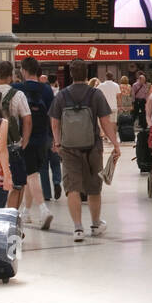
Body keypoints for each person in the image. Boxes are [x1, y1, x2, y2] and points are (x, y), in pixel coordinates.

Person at [50, 58, 119, 242]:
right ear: (86, 74)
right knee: (94, 188)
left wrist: (57, 143)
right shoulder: (95, 94)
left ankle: (78, 228)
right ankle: (95, 224)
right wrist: (115, 144)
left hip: (69, 148)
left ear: (70, 74)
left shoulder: (62, 96)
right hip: (92, 147)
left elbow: (55, 123)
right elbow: (105, 122)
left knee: (73, 188)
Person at [13, 56, 57, 226]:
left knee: (31, 175)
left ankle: (43, 208)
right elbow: (52, 115)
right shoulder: (46, 90)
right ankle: (26, 212)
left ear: (23, 71)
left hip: (24, 137)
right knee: (32, 174)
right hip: (42, 137)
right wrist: (53, 138)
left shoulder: (17, 88)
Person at [0, 60, 31, 205]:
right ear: (10, 76)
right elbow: (27, 119)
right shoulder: (17, 95)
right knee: (17, 185)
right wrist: (24, 141)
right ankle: (11, 219)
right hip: (12, 145)